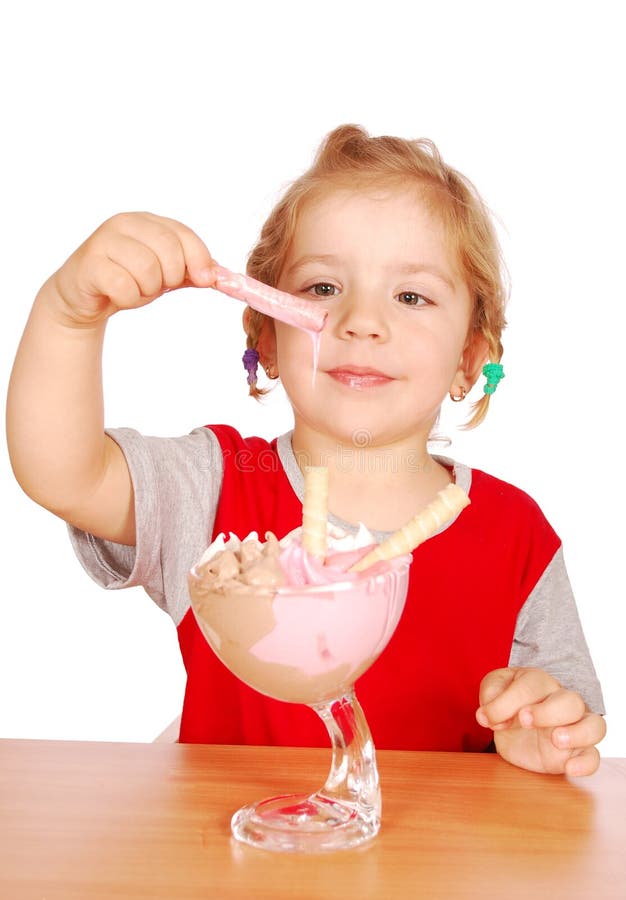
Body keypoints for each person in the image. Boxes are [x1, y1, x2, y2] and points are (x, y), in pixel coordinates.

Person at [7, 124, 606, 776]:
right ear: (267, 336)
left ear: (469, 359)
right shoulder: (216, 486)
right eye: (323, 288)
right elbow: (62, 472)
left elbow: (568, 727)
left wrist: (543, 734)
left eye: (411, 296)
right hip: (227, 868)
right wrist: (69, 314)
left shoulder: (514, 535)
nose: (362, 321)